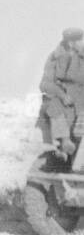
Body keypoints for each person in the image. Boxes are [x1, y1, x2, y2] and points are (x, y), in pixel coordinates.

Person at [39, 27, 84, 158]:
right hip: (63, 97)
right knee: (54, 105)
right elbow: (44, 84)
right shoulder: (55, 57)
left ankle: (67, 151)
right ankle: (65, 143)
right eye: (81, 40)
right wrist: (62, 95)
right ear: (71, 43)